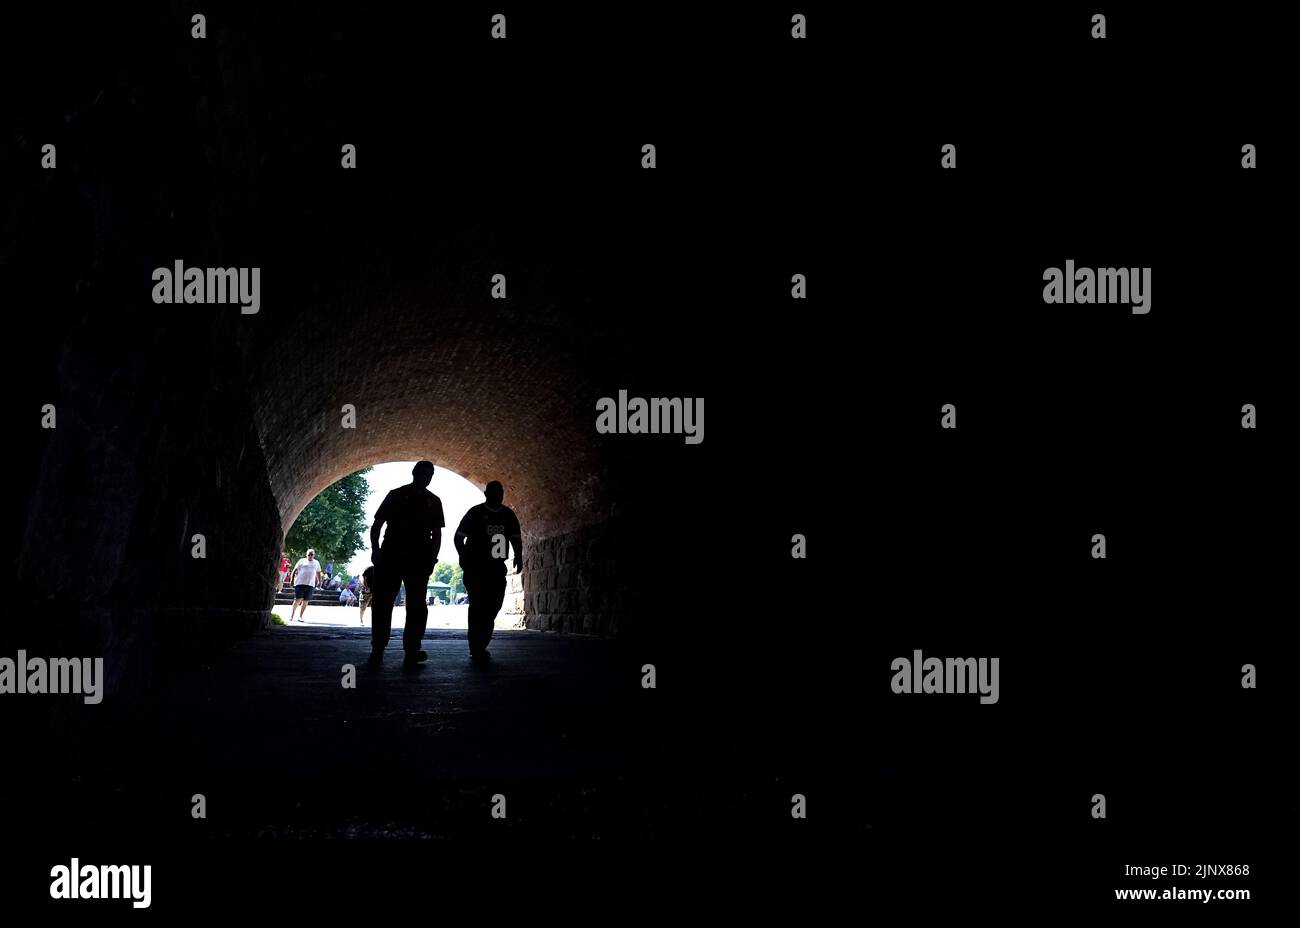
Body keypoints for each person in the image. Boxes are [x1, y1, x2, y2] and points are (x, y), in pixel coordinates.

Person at [368, 461, 444, 668]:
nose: (426, 478)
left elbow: (437, 534)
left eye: (430, 475)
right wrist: (376, 550)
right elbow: (377, 525)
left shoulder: (433, 501)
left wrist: (432, 558)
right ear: (414, 473)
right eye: (423, 473)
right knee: (383, 603)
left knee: (416, 606)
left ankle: (411, 649)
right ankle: (379, 647)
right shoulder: (397, 494)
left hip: (417, 558)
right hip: (392, 555)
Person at [454, 480, 523, 662]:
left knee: (494, 606)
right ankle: (477, 647)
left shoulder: (508, 515)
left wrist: (519, 556)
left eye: (500, 492)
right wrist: (463, 556)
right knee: (477, 607)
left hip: (496, 568)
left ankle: (480, 642)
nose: (497, 495)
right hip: (476, 568)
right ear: (486, 494)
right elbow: (458, 537)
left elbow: (516, 538)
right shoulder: (475, 513)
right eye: (493, 492)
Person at [290, 549, 323, 622]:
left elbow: (318, 572)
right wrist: (291, 579)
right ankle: (292, 615)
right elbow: (295, 570)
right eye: (309, 554)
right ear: (306, 555)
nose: (310, 556)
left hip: (310, 584)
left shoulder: (316, 562)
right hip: (300, 583)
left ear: (314, 555)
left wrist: (320, 581)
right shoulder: (302, 560)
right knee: (298, 599)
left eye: (312, 555)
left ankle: (300, 616)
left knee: (306, 601)